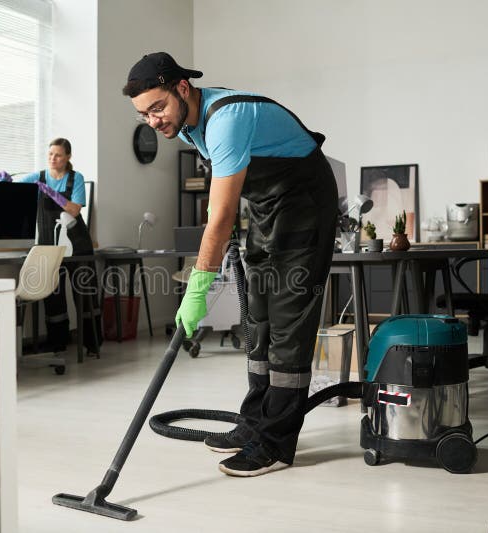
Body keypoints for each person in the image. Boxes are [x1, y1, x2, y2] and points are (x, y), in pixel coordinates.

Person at [123, 53, 337, 477]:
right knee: (258, 319)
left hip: (306, 205)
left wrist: (197, 286)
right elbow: (225, 195)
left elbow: (219, 217)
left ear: (182, 88)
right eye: (144, 114)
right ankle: (255, 424)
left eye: (158, 107)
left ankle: (275, 443)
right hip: (267, 209)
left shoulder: (225, 119)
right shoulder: (190, 127)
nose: (153, 121)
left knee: (287, 324)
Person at [0, 138, 102, 356]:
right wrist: (3, 182)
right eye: (50, 154)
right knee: (54, 295)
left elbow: (74, 210)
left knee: (84, 293)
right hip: (49, 246)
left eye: (58, 155)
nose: (53, 159)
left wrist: (53, 194)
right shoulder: (38, 177)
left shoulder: (76, 178)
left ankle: (92, 344)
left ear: (68, 157)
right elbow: (14, 194)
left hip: (77, 246)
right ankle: (58, 344)